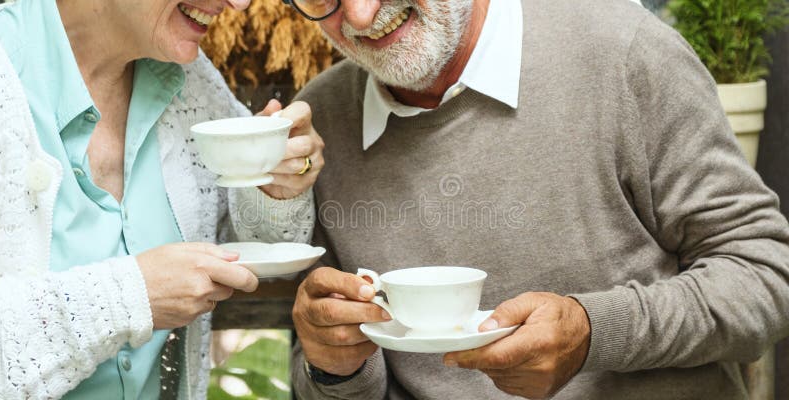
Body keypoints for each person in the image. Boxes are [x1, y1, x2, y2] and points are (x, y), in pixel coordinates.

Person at [285, 0, 789, 399]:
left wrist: (593, 332)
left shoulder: (622, 50)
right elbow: (338, 369)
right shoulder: (319, 125)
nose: (360, 16)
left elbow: (764, 275)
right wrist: (332, 368)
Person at [0, 0, 324, 398]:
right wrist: (129, 298)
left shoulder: (190, 80)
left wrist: (273, 187)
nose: (240, 4)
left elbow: (255, 244)